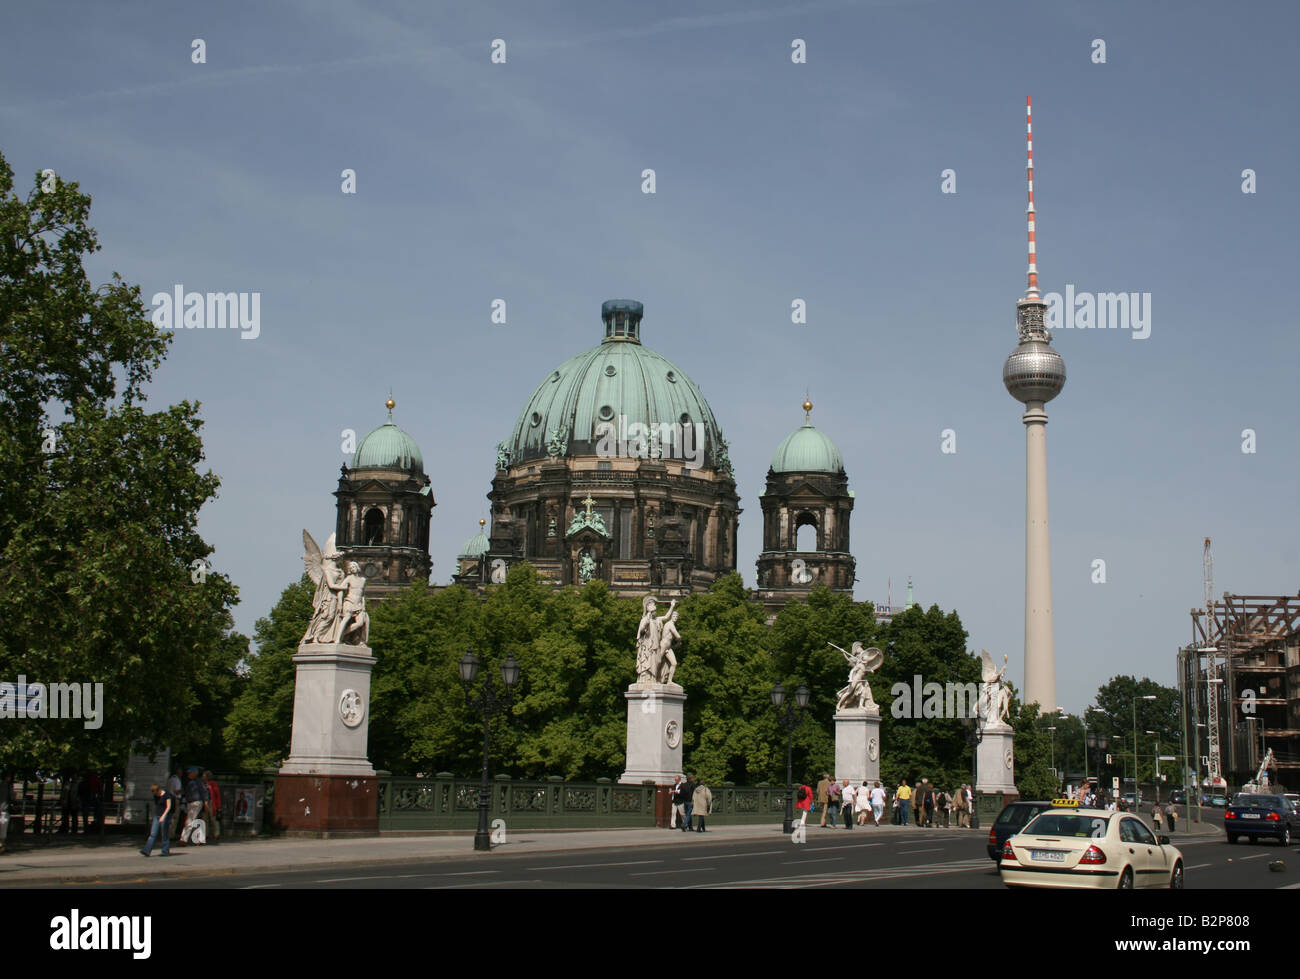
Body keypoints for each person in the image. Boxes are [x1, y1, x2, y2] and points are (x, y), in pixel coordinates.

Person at [140, 783, 174, 857]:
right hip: (157, 816)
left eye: (156, 793)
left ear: (159, 790)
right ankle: (147, 850)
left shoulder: (167, 795)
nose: (156, 795)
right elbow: (157, 806)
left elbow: (168, 807)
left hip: (165, 816)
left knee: (164, 834)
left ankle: (165, 851)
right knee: (153, 834)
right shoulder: (155, 796)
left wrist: (163, 816)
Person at [180, 768, 209, 845]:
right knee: (195, 820)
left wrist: (206, 803)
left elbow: (204, 792)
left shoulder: (197, 781)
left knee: (190, 820)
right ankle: (200, 839)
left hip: (196, 802)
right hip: (191, 802)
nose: (188, 774)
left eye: (190, 773)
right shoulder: (190, 781)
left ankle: (184, 839)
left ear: (194, 773)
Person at [202, 771, 221, 844]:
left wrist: (218, 805)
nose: (202, 777)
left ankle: (216, 833)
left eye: (204, 775)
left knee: (213, 818)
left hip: (211, 802)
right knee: (205, 818)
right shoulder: (202, 784)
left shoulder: (213, 784)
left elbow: (217, 795)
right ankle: (205, 833)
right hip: (205, 802)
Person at [166, 767, 184, 839]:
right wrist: (182, 791)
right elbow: (176, 791)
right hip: (175, 799)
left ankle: (167, 833)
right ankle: (171, 834)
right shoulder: (177, 780)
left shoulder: (170, 779)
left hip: (169, 798)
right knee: (175, 817)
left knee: (170, 817)